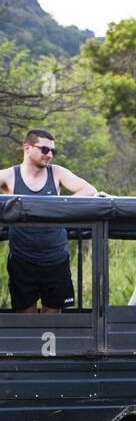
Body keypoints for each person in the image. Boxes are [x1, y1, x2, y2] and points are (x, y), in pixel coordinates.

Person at [0, 129, 104, 313]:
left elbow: (88, 189)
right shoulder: (10, 176)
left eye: (53, 151)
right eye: (45, 150)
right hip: (22, 259)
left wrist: (58, 206)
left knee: (54, 318)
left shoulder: (56, 173)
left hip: (56, 259)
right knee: (25, 318)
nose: (50, 155)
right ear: (27, 148)